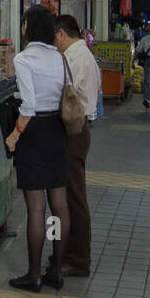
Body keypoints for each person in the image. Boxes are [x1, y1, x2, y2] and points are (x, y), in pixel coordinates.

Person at [4, 5, 70, 292]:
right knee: (58, 203)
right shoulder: (59, 57)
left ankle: (34, 276)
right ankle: (55, 270)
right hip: (57, 130)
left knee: (35, 207)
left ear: (27, 26)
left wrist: (15, 135)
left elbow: (28, 105)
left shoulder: (23, 59)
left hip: (34, 132)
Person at [52, 14, 99, 278]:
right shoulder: (82, 54)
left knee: (74, 196)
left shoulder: (75, 58)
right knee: (70, 195)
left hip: (74, 130)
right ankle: (68, 253)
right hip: (78, 128)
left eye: (53, 37)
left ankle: (77, 259)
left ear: (61, 33)